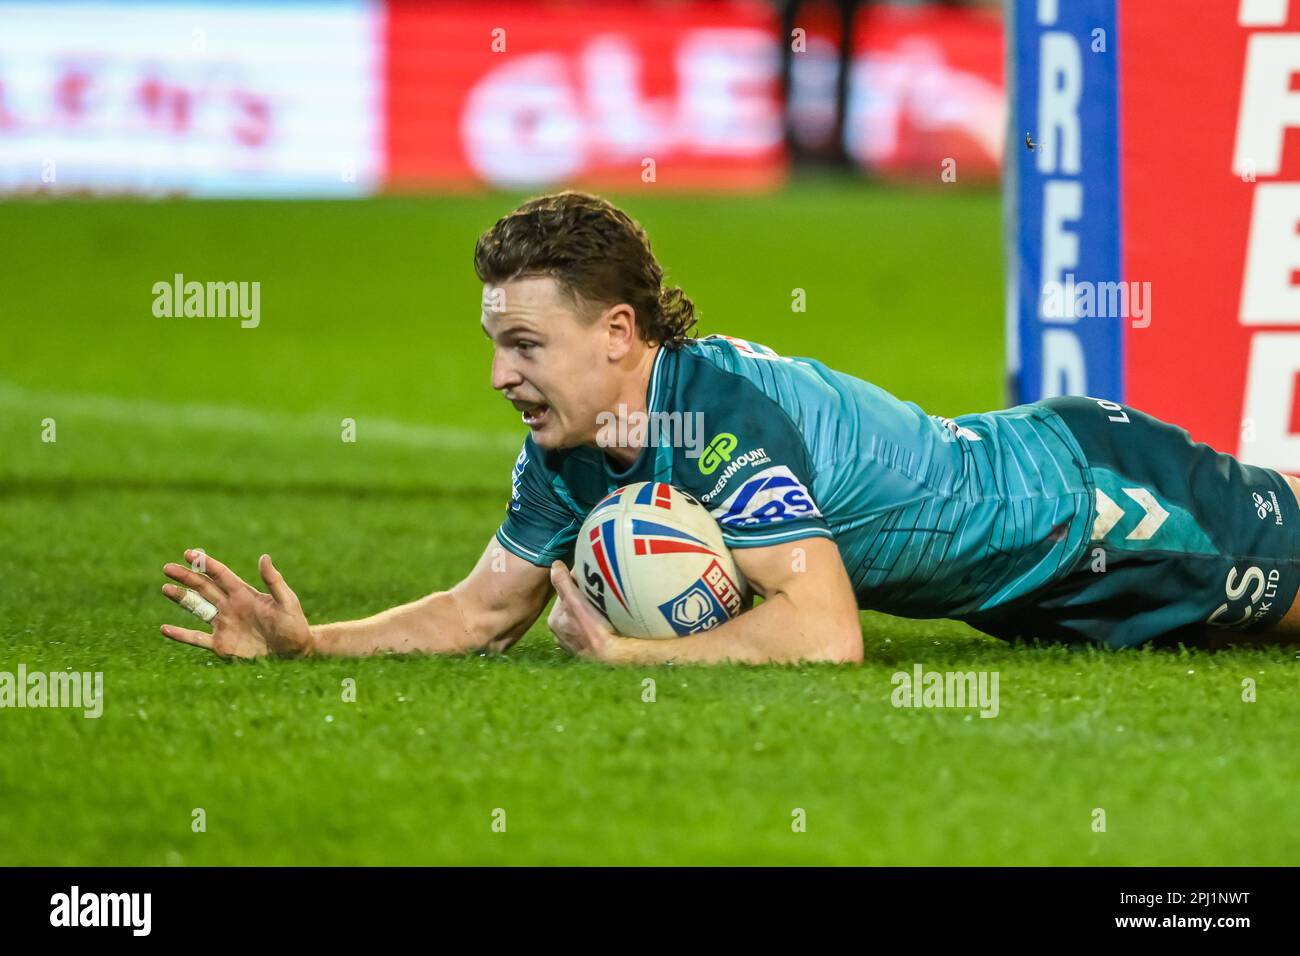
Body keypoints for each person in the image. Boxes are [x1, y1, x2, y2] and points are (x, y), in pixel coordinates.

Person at [159, 192, 1300, 663]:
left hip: (1099, 503)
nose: (501, 374)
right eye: (494, 343)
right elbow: (485, 605)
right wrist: (317, 644)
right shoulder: (569, 443)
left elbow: (823, 634)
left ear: (616, 332)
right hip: (1036, 593)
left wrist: (635, 652)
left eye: (525, 345)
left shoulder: (715, 416)